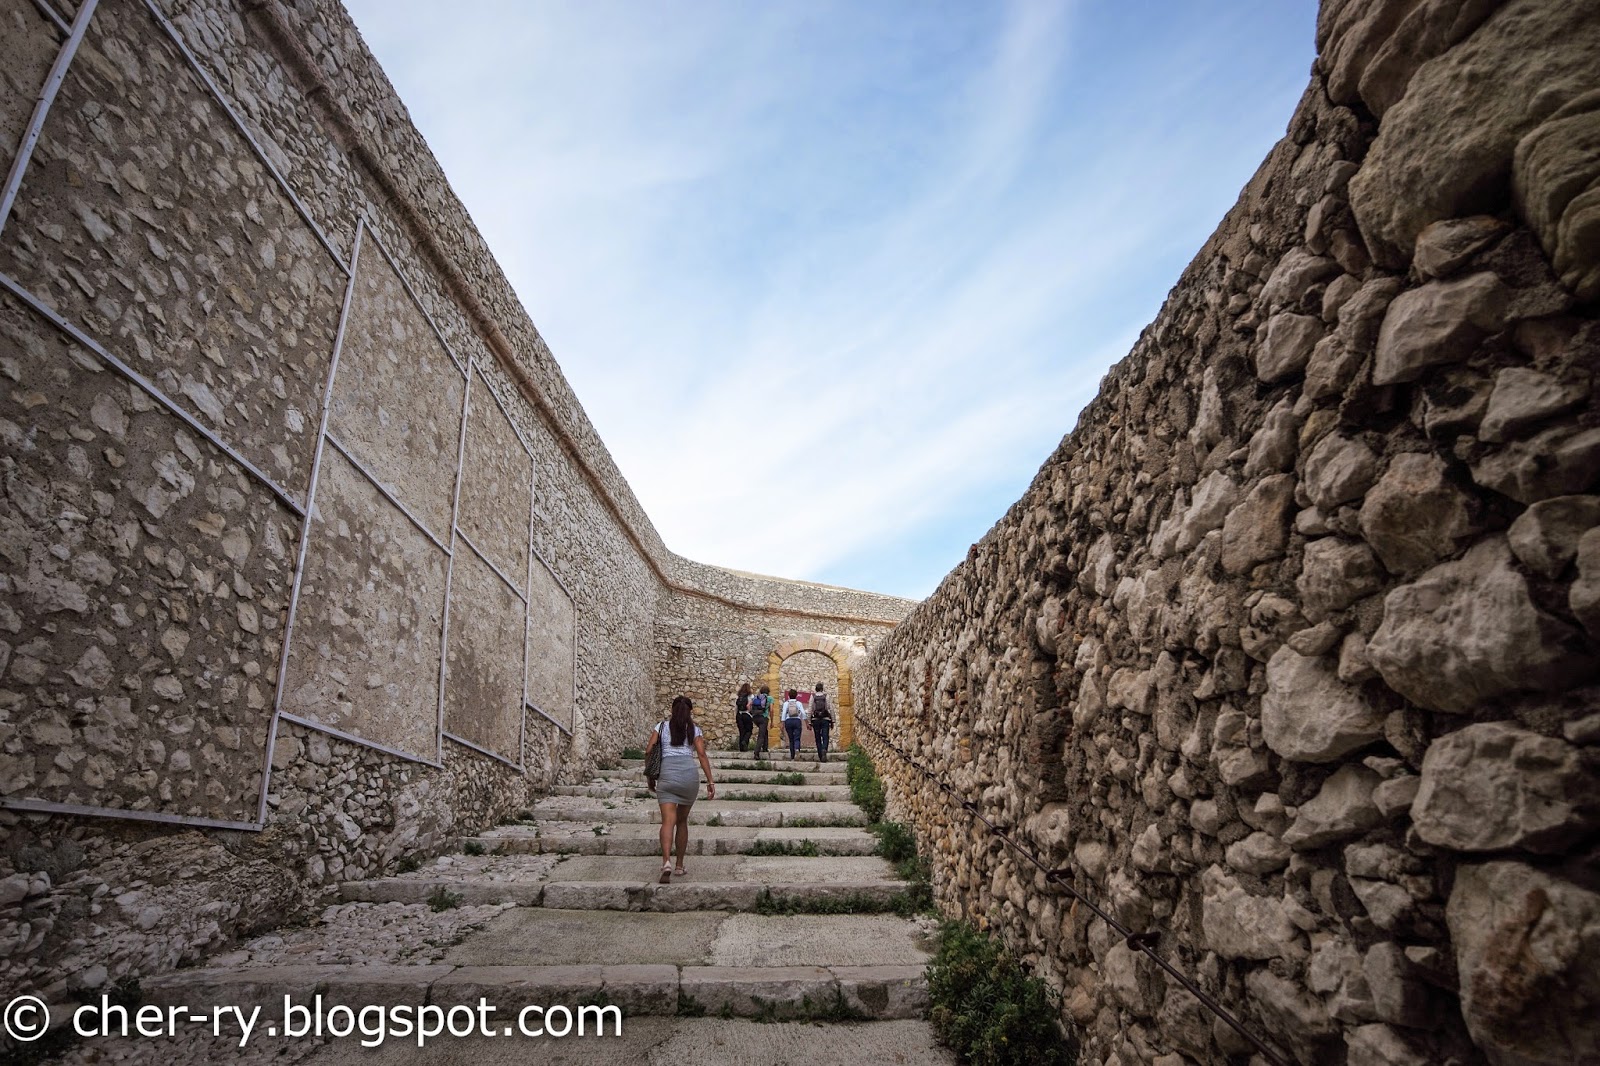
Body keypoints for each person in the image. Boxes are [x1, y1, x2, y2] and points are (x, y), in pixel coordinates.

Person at [643, 695, 716, 882]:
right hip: (688, 776)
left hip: (667, 775)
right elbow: (701, 754)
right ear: (690, 711)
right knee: (682, 822)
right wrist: (710, 782)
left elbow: (649, 750)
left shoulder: (661, 727)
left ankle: (666, 861)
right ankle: (679, 865)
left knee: (668, 821)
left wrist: (651, 776)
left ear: (672, 709)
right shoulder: (694, 729)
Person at [810, 682, 834, 762]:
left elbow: (810, 709)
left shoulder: (813, 696)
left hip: (816, 720)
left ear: (816, 689)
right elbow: (831, 709)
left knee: (817, 738)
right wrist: (833, 721)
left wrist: (809, 721)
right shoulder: (826, 696)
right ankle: (824, 749)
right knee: (825, 736)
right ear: (822, 689)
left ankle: (820, 755)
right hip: (825, 719)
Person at [780, 688, 806, 760]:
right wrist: (806, 722)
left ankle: (792, 757)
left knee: (791, 739)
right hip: (797, 720)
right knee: (797, 738)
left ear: (789, 695)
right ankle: (797, 749)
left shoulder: (786, 703)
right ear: (796, 695)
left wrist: (782, 723)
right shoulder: (798, 703)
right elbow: (803, 713)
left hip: (788, 721)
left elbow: (784, 713)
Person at [750, 685, 772, 759]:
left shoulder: (756, 697)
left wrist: (752, 713)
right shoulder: (769, 698)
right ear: (768, 691)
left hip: (755, 717)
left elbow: (749, 705)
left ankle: (765, 747)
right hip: (763, 717)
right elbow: (771, 710)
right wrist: (771, 720)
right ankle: (756, 753)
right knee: (761, 735)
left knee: (765, 731)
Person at [735, 683, 754, 752]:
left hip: (739, 715)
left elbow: (736, 707)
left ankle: (741, 748)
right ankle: (745, 741)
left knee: (741, 731)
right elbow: (751, 706)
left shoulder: (738, 696)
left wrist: (736, 715)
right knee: (749, 730)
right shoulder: (751, 696)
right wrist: (751, 713)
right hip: (747, 714)